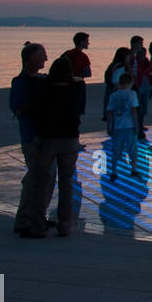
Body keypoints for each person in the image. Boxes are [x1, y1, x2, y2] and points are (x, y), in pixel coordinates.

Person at [24, 56, 85, 237]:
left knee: (40, 183)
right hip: (70, 139)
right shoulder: (77, 88)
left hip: (48, 139)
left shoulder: (43, 87)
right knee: (66, 183)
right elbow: (79, 83)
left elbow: (36, 80)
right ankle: (65, 224)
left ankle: (38, 224)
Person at [11, 42, 55, 235]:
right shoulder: (21, 83)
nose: (46, 58)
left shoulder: (40, 81)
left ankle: (33, 216)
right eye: (42, 55)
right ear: (32, 59)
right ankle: (28, 219)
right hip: (32, 137)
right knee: (37, 178)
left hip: (42, 136)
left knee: (41, 177)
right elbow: (18, 108)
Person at [105, 72, 141, 181]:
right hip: (129, 126)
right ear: (130, 83)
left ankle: (114, 171)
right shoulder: (132, 94)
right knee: (132, 148)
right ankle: (133, 169)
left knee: (116, 150)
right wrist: (137, 125)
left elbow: (110, 112)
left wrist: (109, 126)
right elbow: (134, 110)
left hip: (117, 127)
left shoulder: (113, 95)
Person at [101, 47, 131, 131]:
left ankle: (112, 129)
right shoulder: (120, 66)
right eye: (128, 56)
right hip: (116, 92)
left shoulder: (114, 64)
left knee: (111, 111)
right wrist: (122, 89)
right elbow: (115, 80)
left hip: (111, 90)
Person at [62, 31, 91, 116]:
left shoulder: (67, 53)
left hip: (66, 84)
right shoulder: (83, 57)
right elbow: (88, 73)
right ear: (82, 42)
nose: (88, 43)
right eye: (87, 41)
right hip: (78, 84)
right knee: (77, 110)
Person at [133, 44, 152, 140]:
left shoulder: (146, 61)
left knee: (144, 107)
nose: (143, 55)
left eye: (144, 53)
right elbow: (138, 72)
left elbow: (150, 69)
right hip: (138, 86)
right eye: (142, 53)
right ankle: (138, 125)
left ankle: (141, 124)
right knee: (139, 107)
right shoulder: (135, 61)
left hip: (146, 86)